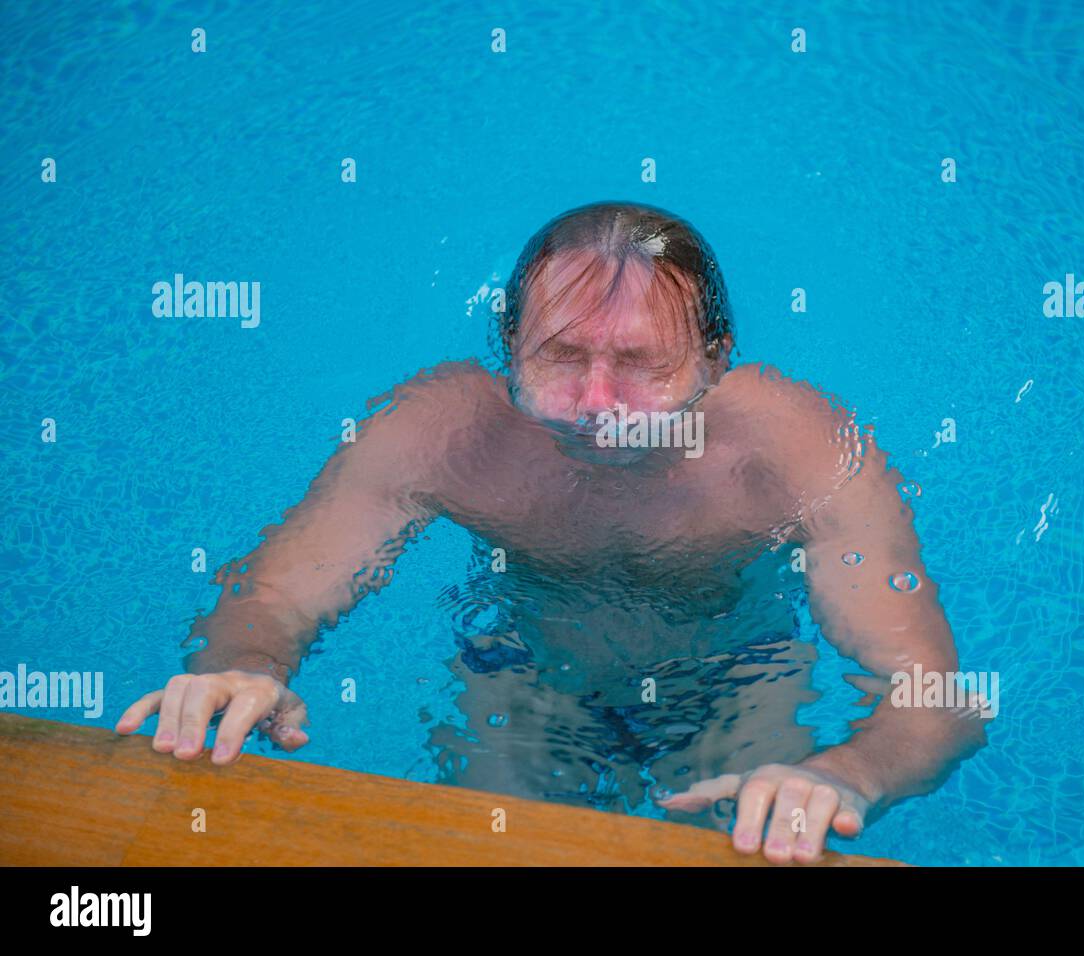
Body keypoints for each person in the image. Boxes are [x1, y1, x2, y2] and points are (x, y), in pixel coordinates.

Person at [116, 201, 987, 863]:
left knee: (774, 831)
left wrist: (844, 776)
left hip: (735, 683)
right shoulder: (441, 432)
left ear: (715, 357)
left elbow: (934, 700)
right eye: (563, 358)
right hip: (526, 679)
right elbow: (275, 593)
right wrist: (244, 669)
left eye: (641, 363)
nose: (598, 405)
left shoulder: (804, 454)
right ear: (509, 346)